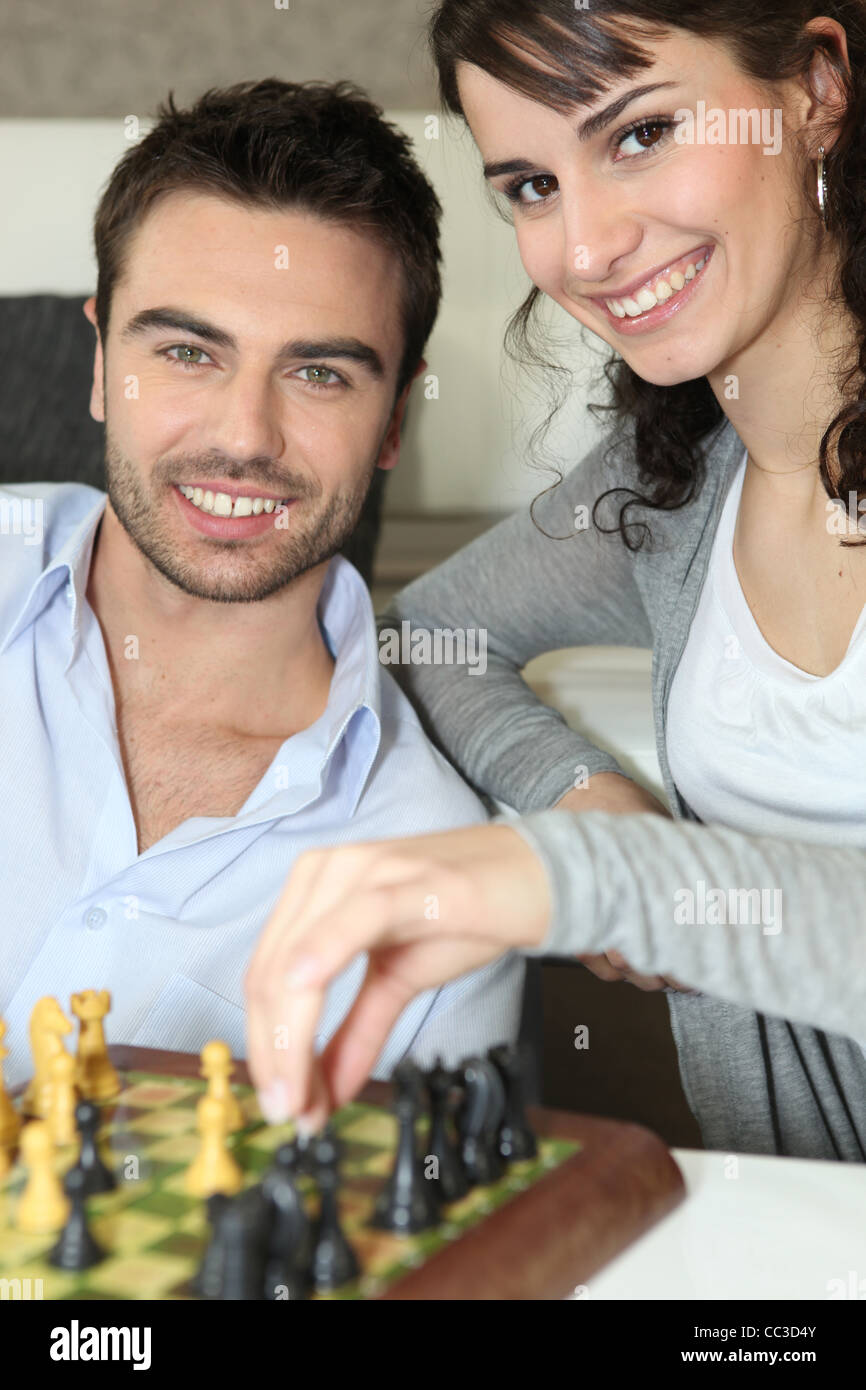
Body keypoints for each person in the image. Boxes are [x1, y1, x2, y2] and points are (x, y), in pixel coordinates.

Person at [245, 5, 866, 1162]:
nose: (581, 250)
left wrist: (605, 876)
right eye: (530, 184)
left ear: (815, 89)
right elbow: (421, 637)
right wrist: (577, 788)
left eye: (638, 136)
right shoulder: (667, 485)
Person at [0, 78, 525, 1091]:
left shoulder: (437, 884)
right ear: (103, 360)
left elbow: (427, 1241)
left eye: (319, 373)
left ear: (394, 421)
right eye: (188, 351)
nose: (244, 437)